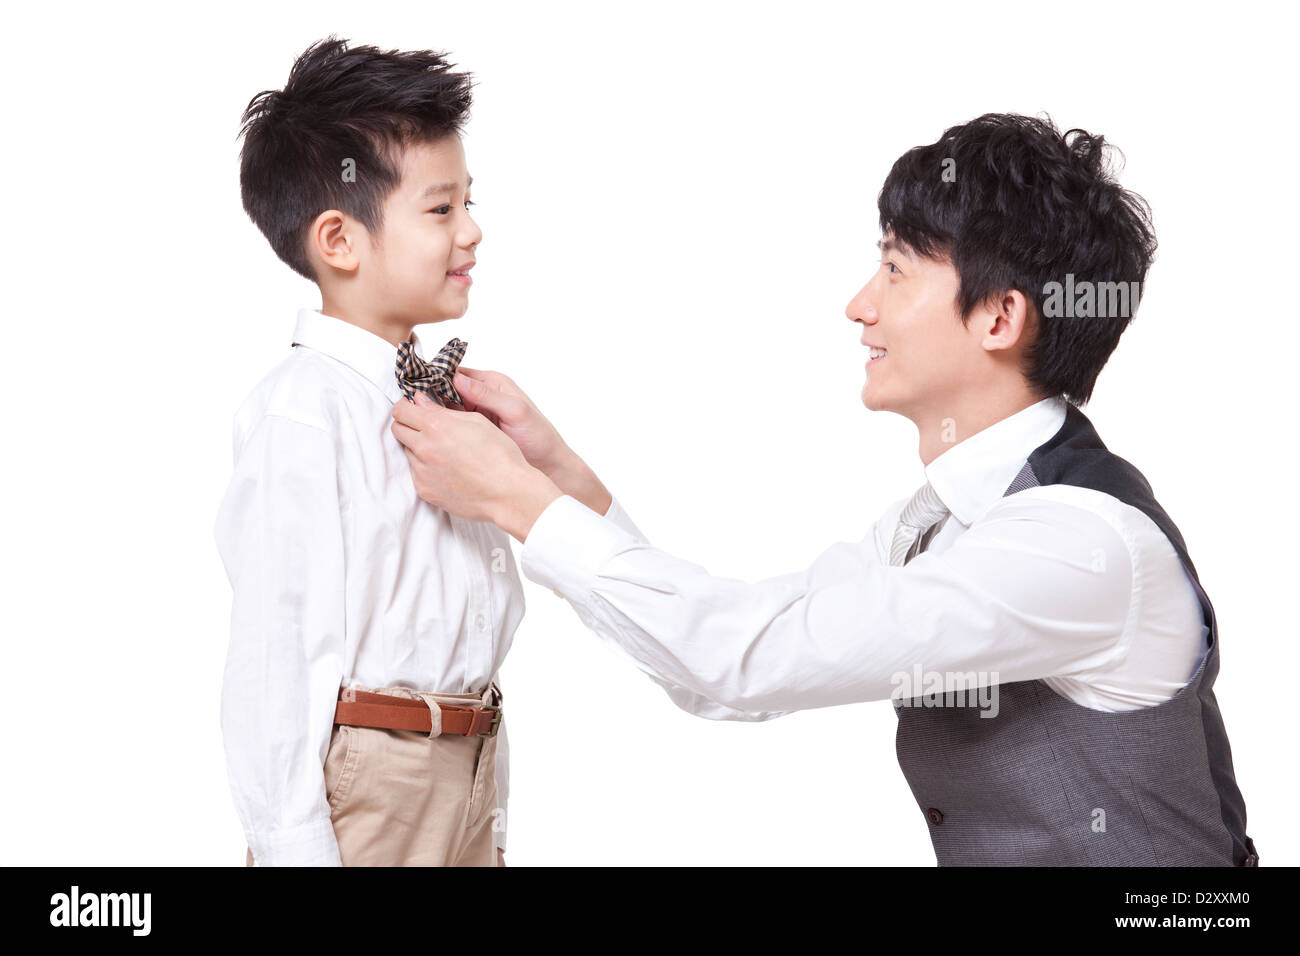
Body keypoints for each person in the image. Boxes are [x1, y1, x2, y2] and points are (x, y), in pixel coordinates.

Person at [389, 113, 1259, 866]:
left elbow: (749, 659)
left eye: (895, 271)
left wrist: (517, 505)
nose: (858, 306)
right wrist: (559, 485)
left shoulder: (1077, 544)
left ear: (1000, 317)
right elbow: (730, 668)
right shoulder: (942, 522)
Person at [214, 36, 516, 866]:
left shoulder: (436, 397)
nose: (473, 231)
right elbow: (279, 653)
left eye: (469, 203)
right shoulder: (305, 411)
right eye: (442, 209)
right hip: (375, 774)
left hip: (470, 752)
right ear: (340, 242)